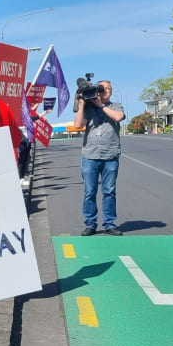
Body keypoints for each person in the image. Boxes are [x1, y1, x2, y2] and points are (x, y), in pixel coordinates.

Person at [73, 79, 125, 236]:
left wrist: (101, 105)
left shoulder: (116, 106)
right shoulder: (88, 108)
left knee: (109, 191)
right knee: (90, 191)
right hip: (90, 155)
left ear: (111, 91)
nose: (105, 90)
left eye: (108, 88)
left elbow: (118, 117)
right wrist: (82, 103)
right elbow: (78, 125)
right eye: (102, 88)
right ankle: (90, 224)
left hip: (110, 155)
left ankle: (109, 224)